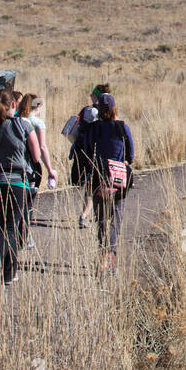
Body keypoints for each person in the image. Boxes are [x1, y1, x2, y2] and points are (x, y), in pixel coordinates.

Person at [0, 89, 42, 285]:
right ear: (13, 104)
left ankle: (9, 271)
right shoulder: (22, 125)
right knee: (11, 227)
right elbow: (36, 156)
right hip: (13, 181)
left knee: (3, 224)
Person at [75, 92, 134, 271]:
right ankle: (111, 257)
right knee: (116, 218)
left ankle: (101, 255)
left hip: (98, 176)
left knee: (101, 219)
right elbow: (130, 155)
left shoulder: (94, 129)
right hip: (118, 177)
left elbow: (86, 151)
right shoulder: (122, 127)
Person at [17, 93, 57, 249]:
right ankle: (24, 238)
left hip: (15, 166)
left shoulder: (16, 120)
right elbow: (42, 147)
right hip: (31, 167)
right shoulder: (37, 123)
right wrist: (50, 169)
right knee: (28, 205)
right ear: (38, 106)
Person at [67, 84, 109, 229]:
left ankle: (88, 214)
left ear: (96, 96)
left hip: (82, 150)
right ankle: (85, 216)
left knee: (90, 184)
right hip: (95, 153)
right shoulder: (101, 113)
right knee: (93, 185)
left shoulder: (88, 111)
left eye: (92, 94)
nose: (90, 96)